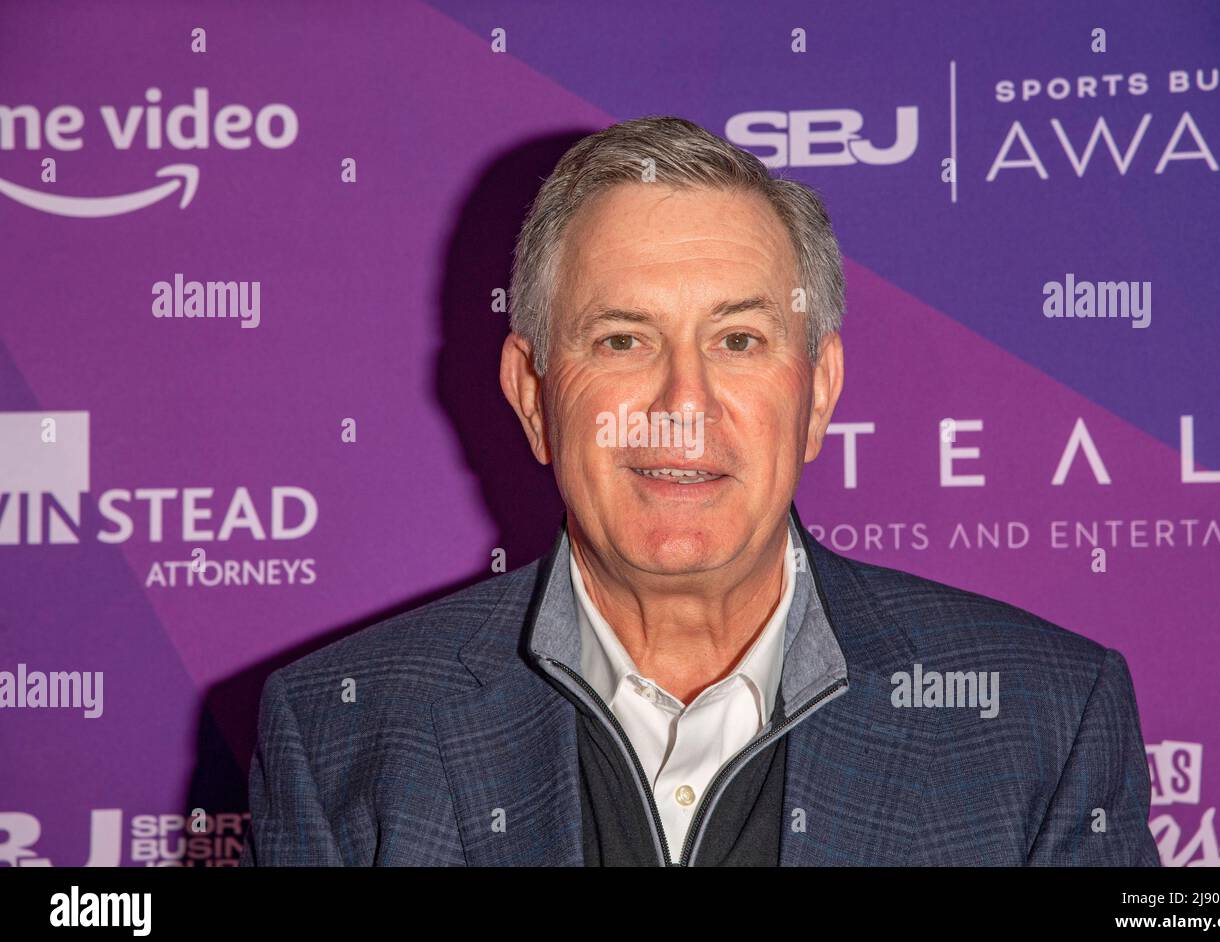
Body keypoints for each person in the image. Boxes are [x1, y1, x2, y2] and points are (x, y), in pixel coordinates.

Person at [240, 115, 1160, 866]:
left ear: (818, 393)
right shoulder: (339, 729)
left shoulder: (1045, 716)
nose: (684, 406)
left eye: (739, 341)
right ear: (532, 396)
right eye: (622, 340)